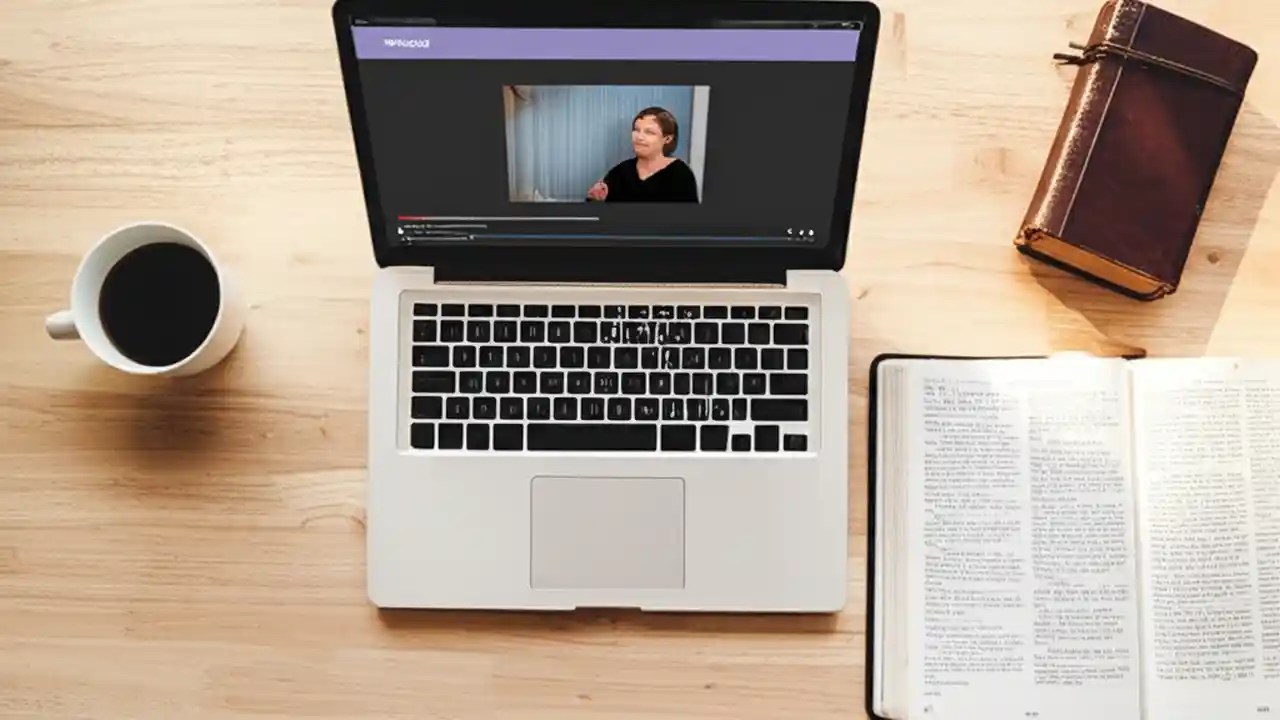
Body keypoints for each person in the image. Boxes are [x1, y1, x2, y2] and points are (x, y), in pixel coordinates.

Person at [587, 106, 699, 203]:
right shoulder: (620, 172)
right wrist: (595, 200)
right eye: (636, 130)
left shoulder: (681, 174)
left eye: (649, 132)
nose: (639, 137)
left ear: (667, 138)